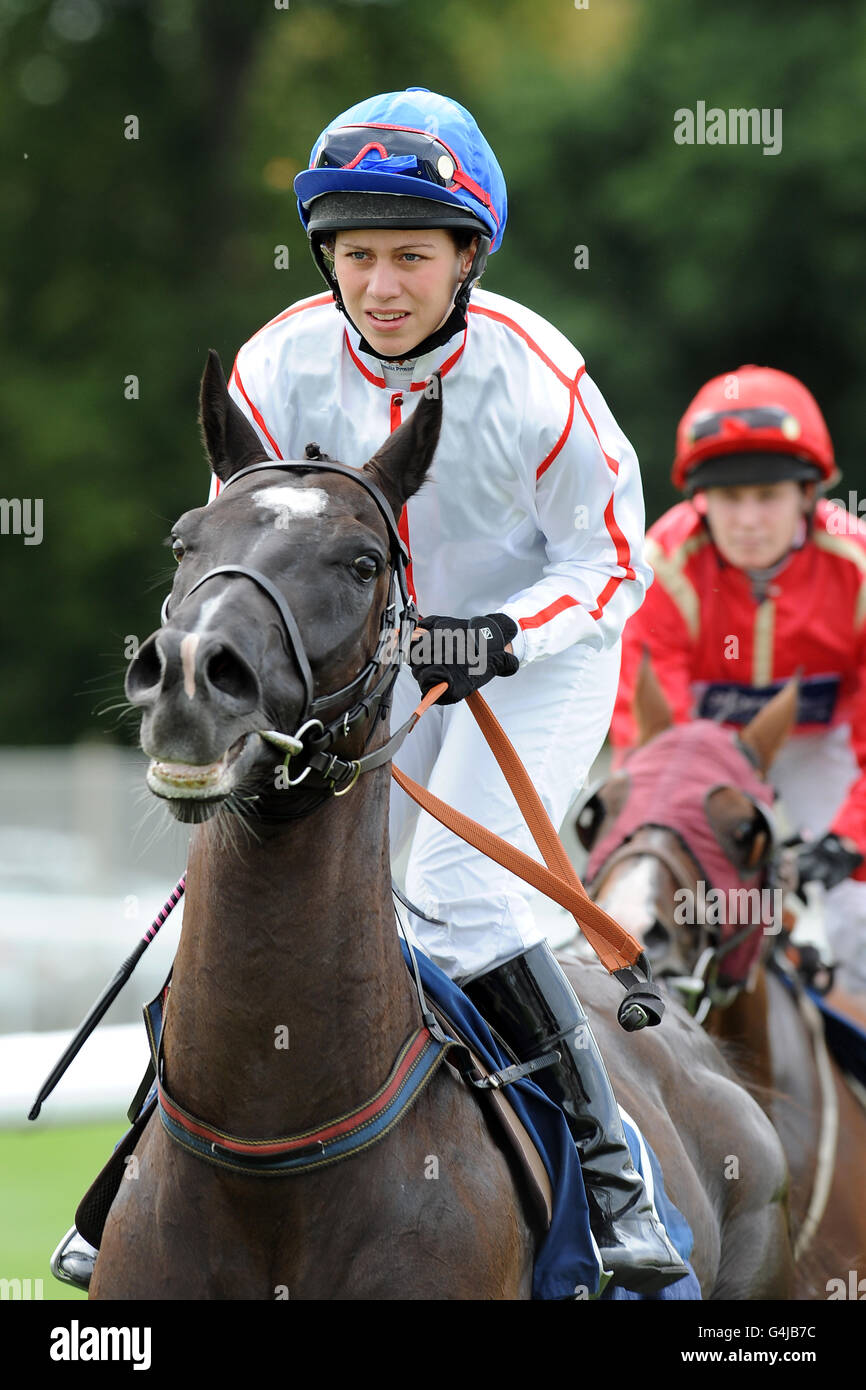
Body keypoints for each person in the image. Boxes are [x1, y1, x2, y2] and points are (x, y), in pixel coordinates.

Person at [53, 86, 685, 1294]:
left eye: (409, 255)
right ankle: (138, 1159)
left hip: (534, 661)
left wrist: (498, 634)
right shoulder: (276, 362)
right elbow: (248, 547)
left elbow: (612, 564)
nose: (379, 285)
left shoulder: (541, 381)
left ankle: (613, 1185)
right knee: (257, 898)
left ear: (466, 257)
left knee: (456, 899)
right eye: (355, 255)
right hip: (366, 666)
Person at [610, 365, 866, 992]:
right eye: (729, 498)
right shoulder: (662, 566)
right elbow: (649, 733)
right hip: (697, 746)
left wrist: (848, 840)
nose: (748, 520)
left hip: (820, 747)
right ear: (701, 499)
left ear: (809, 495)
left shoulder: (857, 568)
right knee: (655, 895)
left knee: (857, 915)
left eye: (768, 496)